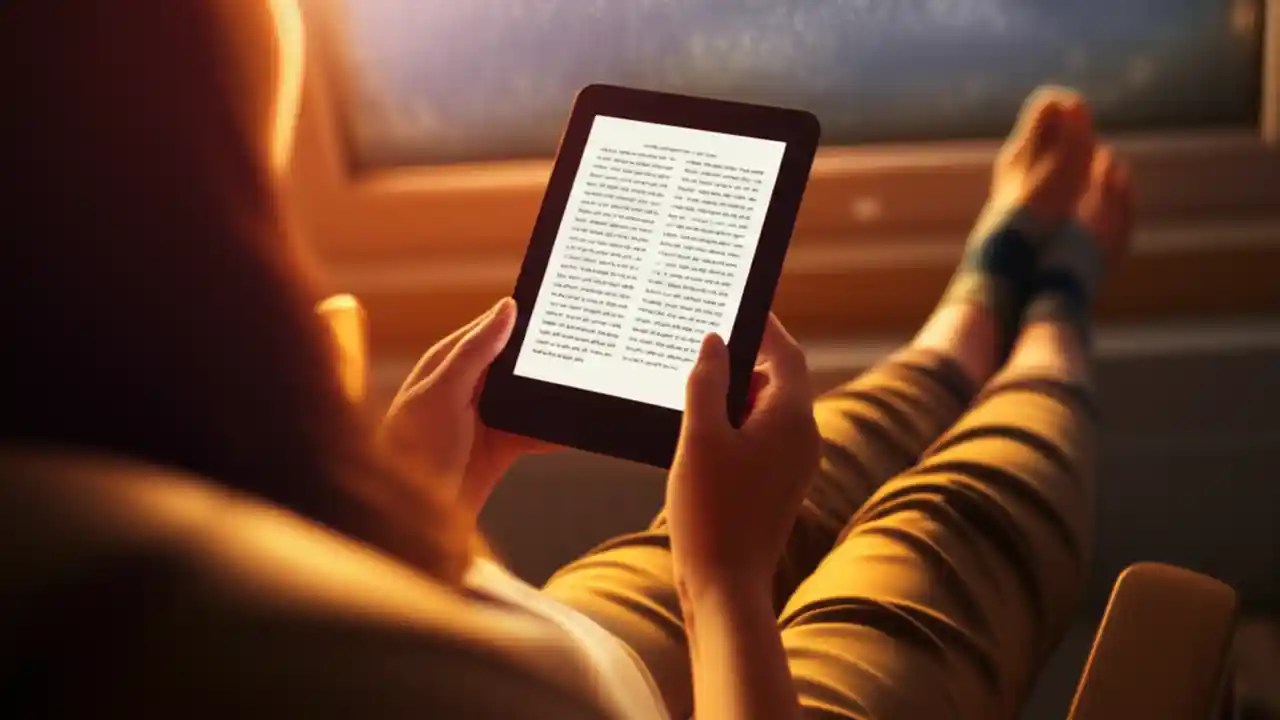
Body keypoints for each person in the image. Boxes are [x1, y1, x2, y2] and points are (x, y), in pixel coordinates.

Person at [0, 1, 1131, 718]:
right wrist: (723, 589)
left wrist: (421, 511)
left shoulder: (87, 475)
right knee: (953, 520)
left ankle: (970, 316)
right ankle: (1047, 307)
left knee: (815, 456)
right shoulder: (256, 656)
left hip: (552, 637)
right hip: (632, 677)